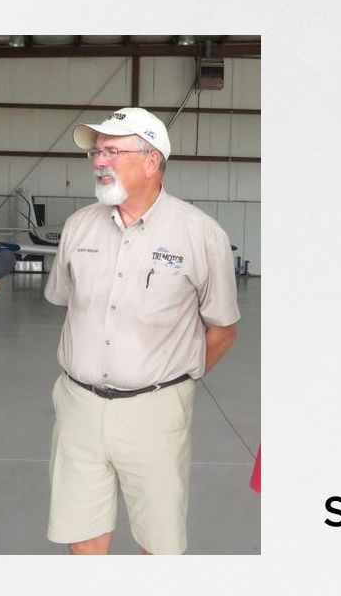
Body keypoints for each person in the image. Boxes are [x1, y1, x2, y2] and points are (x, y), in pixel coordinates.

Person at [43, 107, 241, 555]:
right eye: (96, 152)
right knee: (81, 529)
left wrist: (170, 384)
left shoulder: (200, 235)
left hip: (155, 411)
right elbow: (69, 305)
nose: (98, 161)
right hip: (78, 407)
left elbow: (223, 330)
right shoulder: (78, 227)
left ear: (152, 161)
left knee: (159, 540)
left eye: (112, 151)